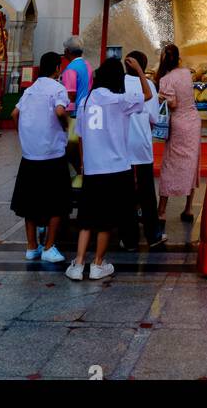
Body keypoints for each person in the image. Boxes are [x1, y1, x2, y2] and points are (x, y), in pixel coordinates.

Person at [66, 53, 152, 281]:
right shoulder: (119, 100)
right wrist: (141, 72)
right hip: (116, 168)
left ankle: (78, 263)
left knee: (87, 218)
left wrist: (84, 165)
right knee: (106, 220)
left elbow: (81, 137)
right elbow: (147, 95)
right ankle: (97, 264)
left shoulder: (85, 102)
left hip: (93, 169)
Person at [10, 51, 70, 263]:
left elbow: (14, 114)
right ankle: (49, 246)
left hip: (30, 154)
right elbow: (61, 111)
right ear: (57, 69)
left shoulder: (30, 90)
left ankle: (31, 246)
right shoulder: (58, 89)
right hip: (52, 153)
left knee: (30, 202)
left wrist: (25, 134)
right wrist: (65, 126)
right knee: (57, 202)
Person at [121, 51, 166, 250]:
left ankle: (129, 239)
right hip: (141, 144)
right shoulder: (149, 87)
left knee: (126, 193)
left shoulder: (118, 84)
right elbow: (154, 119)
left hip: (122, 145)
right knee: (147, 191)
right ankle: (153, 235)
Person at [156, 43, 201, 226]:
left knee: (170, 164)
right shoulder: (186, 73)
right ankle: (188, 208)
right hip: (193, 121)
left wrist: (160, 97)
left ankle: (162, 211)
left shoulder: (165, 79)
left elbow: (172, 103)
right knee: (191, 164)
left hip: (179, 123)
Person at [61, 34, 92, 190]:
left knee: (71, 148)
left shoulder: (70, 69)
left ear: (67, 51)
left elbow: (70, 94)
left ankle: (77, 176)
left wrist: (63, 114)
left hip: (74, 115)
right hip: (87, 111)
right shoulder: (87, 65)